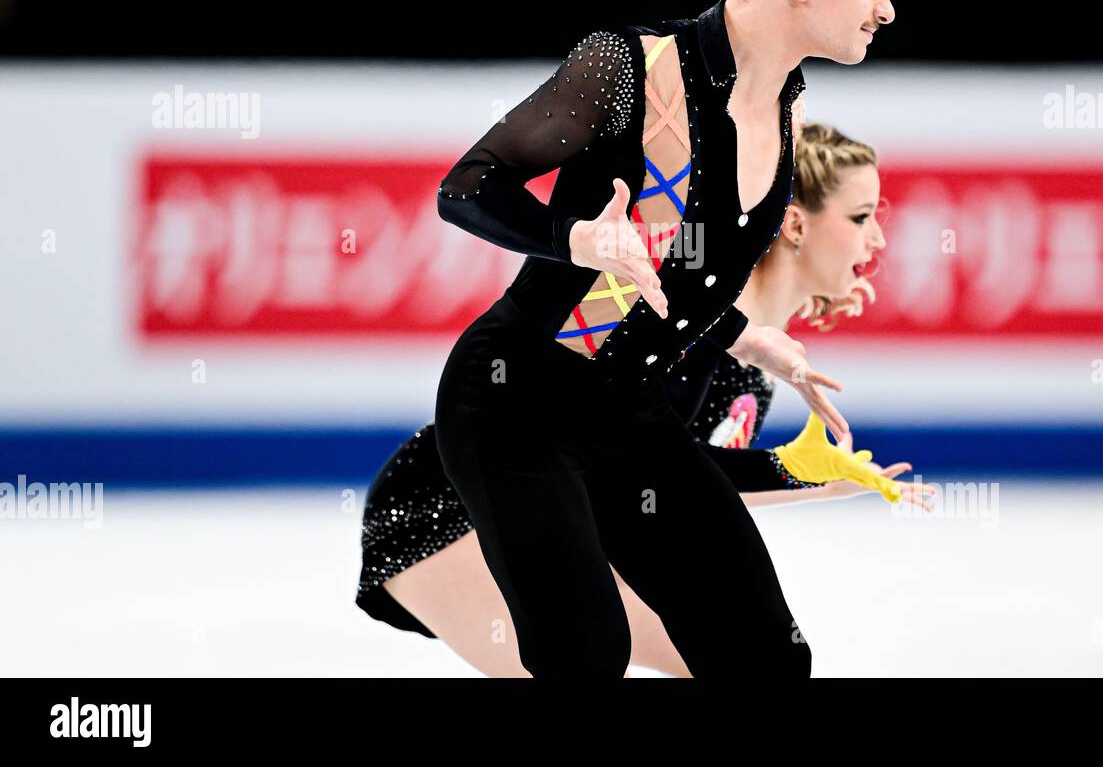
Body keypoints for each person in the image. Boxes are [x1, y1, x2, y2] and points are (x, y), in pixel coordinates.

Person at [393, 0, 928, 676]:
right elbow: (466, 187)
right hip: (514, 402)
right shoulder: (630, 69)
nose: (886, 8)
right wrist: (576, 238)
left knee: (764, 654)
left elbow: (677, 274)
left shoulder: (787, 107)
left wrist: (746, 336)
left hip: (625, 417)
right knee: (587, 653)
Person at [356, 121, 938, 677]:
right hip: (440, 509)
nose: (880, 238)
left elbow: (668, 499)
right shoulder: (690, 327)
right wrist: (796, 473)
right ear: (795, 226)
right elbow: (632, 472)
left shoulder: (750, 363)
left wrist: (808, 476)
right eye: (861, 217)